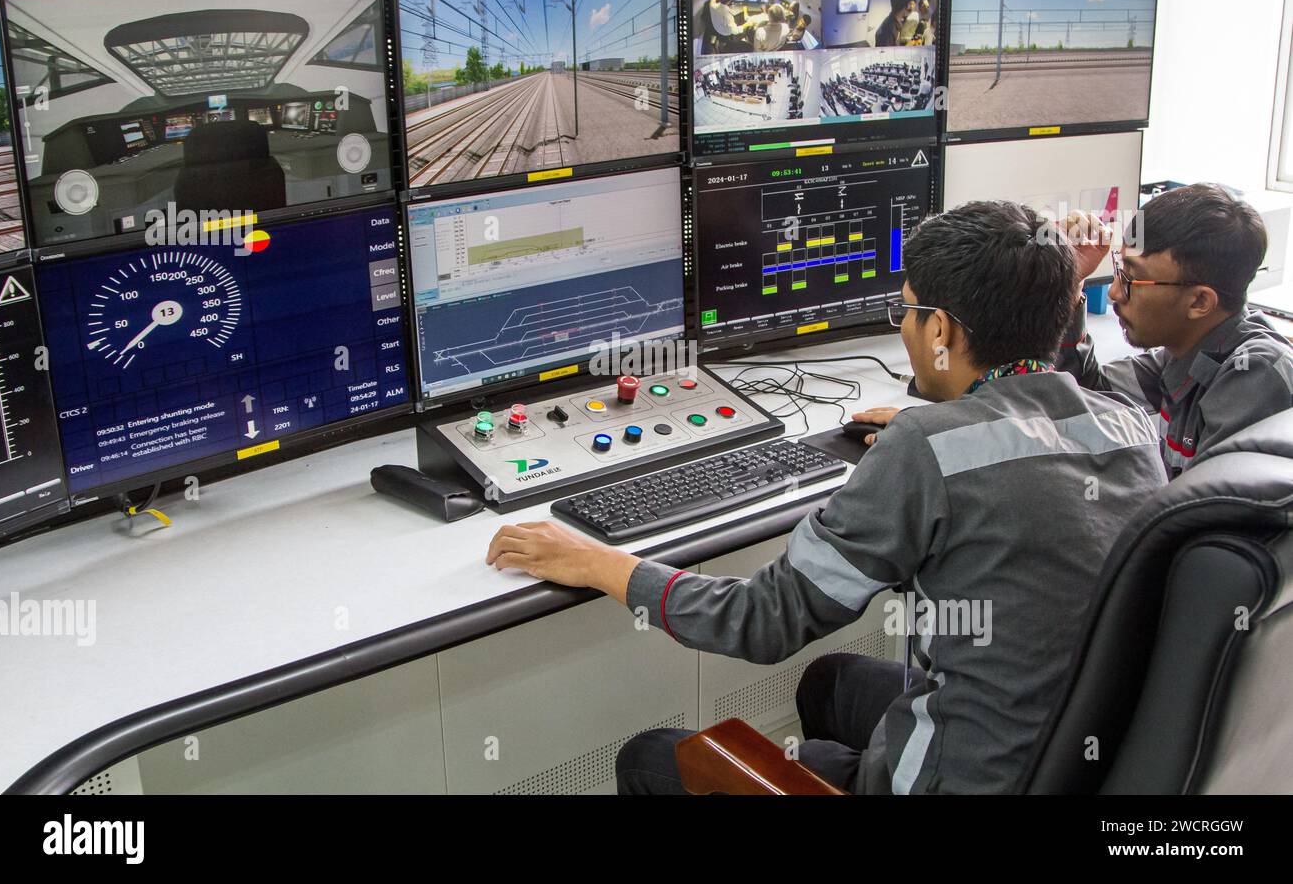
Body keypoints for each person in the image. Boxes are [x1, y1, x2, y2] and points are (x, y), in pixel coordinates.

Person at [486, 201, 1168, 795]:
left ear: (941, 332)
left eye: (907, 310)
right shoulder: (1129, 423)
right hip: (1080, 764)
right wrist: (941, 434)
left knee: (651, 758)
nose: (904, 328)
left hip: (963, 777)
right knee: (828, 684)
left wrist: (600, 561)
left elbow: (763, 619)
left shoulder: (927, 450)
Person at [1057, 182, 1293, 477]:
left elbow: (1207, 513)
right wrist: (1070, 287)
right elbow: (1086, 392)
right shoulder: (1186, 354)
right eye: (1120, 271)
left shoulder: (1254, 376)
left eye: (1132, 280)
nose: (1114, 293)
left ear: (1200, 301)